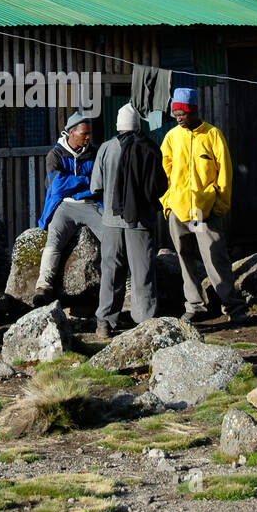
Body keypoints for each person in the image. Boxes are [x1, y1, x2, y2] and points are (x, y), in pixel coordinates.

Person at [159, 87, 246, 324]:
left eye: (183, 114)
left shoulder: (212, 135)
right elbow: (163, 175)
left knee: (214, 257)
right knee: (184, 258)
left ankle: (231, 305)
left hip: (202, 211)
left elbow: (224, 175)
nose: (178, 118)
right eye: (176, 114)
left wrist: (218, 207)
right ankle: (194, 306)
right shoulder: (171, 138)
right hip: (178, 209)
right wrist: (168, 205)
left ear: (194, 111)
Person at [91, 103, 168, 338]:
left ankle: (105, 322)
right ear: (138, 125)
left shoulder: (106, 149)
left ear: (117, 125)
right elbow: (161, 185)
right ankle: (145, 322)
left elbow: (96, 186)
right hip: (141, 222)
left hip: (112, 221)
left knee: (111, 271)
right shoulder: (150, 148)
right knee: (142, 271)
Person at [33, 111, 101, 302]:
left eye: (89, 134)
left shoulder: (94, 153)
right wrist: (85, 182)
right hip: (64, 206)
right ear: (71, 132)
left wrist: (76, 185)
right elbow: (56, 187)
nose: (88, 138)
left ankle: (126, 286)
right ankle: (43, 286)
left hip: (91, 204)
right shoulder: (55, 154)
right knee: (54, 238)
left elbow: (100, 183)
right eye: (84, 134)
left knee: (112, 236)